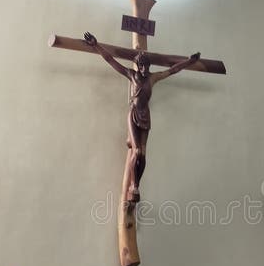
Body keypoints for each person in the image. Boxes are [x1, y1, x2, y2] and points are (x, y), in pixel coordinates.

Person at [83, 32, 200, 203]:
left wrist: (190, 62)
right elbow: (111, 60)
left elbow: (173, 70)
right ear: (137, 65)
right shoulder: (131, 75)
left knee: (143, 155)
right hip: (134, 113)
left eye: (147, 66)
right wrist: (96, 45)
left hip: (146, 116)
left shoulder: (153, 78)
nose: (145, 69)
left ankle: (136, 185)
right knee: (136, 151)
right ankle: (133, 185)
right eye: (142, 66)